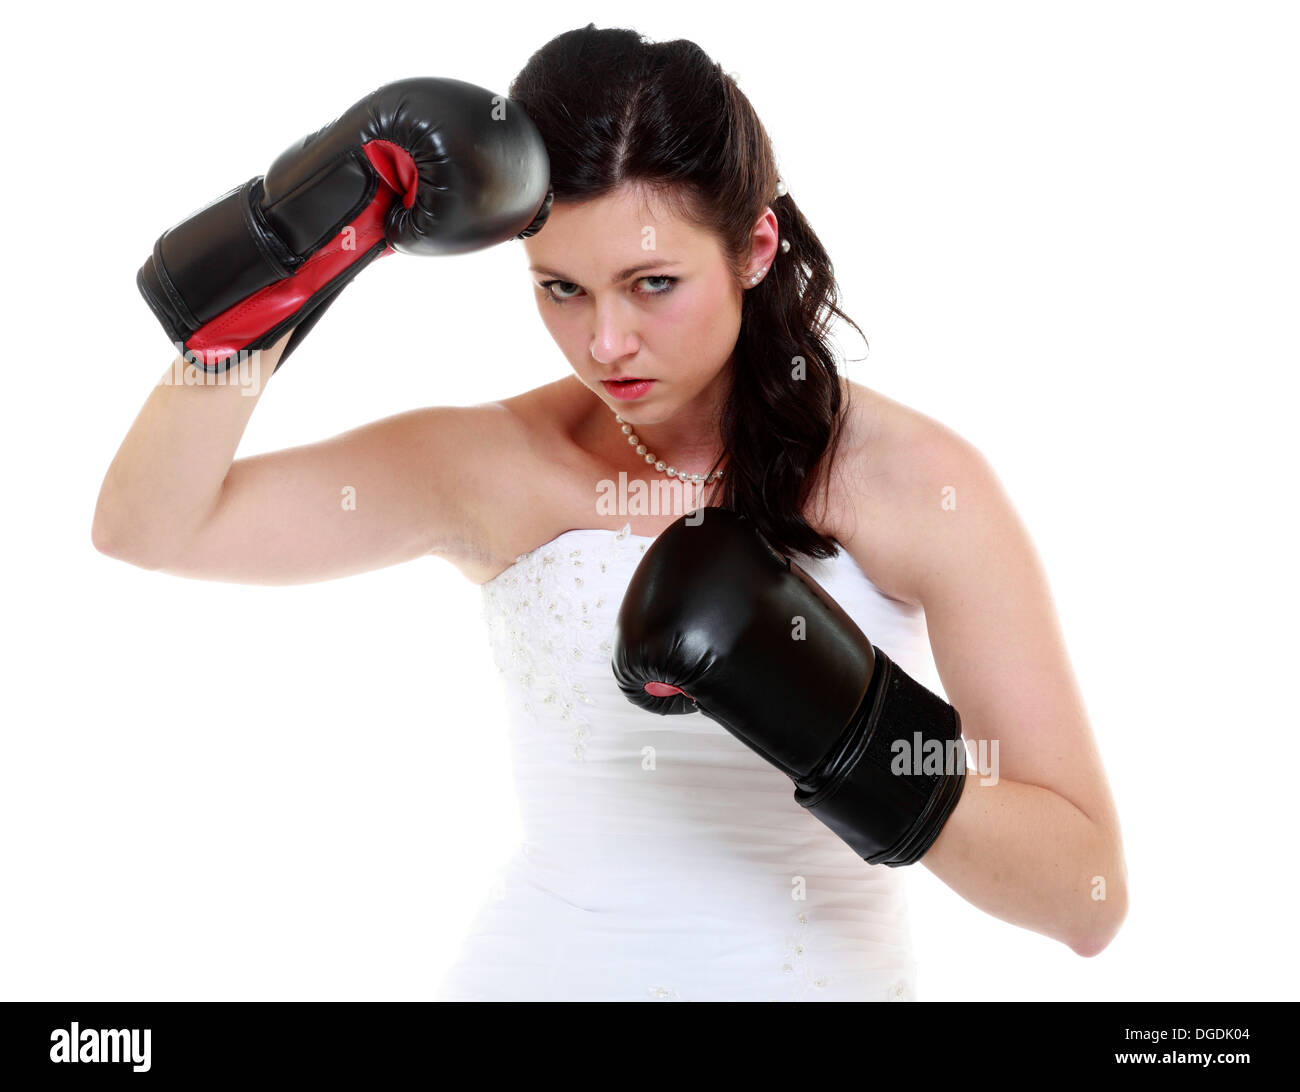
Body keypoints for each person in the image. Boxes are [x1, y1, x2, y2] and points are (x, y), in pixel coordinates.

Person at [93, 25, 1127, 1001]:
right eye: (561, 290)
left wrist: (847, 732)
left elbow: (1084, 897)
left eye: (652, 283)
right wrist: (302, 261)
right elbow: (151, 526)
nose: (606, 345)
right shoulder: (492, 462)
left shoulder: (909, 478)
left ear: (755, 247)